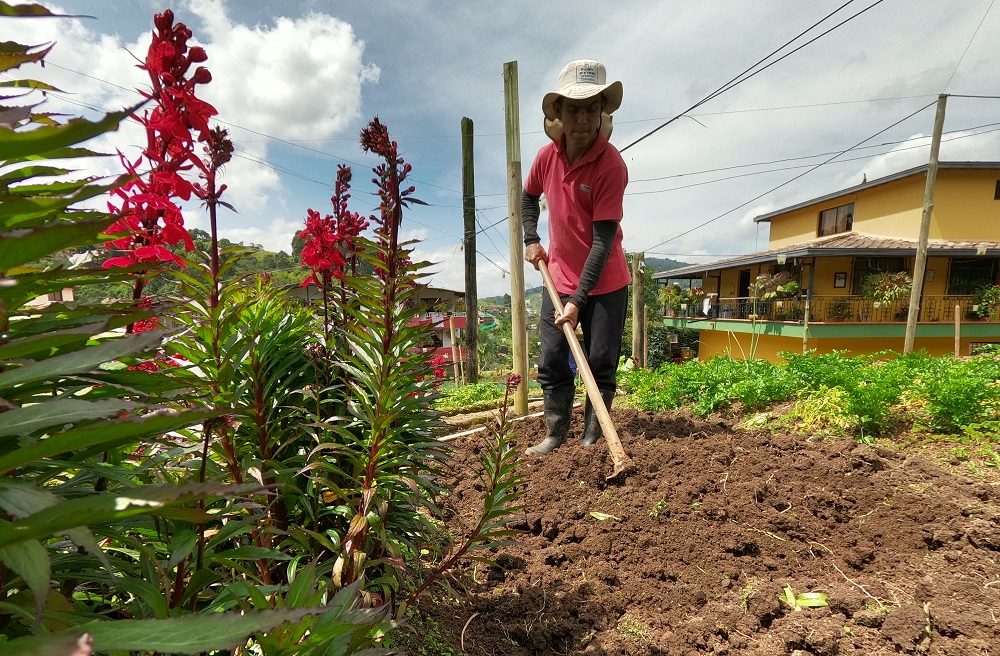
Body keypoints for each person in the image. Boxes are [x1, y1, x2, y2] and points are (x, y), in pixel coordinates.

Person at [521, 59, 631, 455]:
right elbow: (528, 196)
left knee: (600, 361)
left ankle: (592, 439)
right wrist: (531, 238)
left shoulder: (611, 165)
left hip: (605, 283)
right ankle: (555, 434)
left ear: (601, 109)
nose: (582, 119)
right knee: (552, 357)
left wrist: (577, 300)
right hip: (559, 277)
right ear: (559, 112)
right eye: (574, 109)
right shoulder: (546, 157)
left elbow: (602, 242)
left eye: (590, 108)